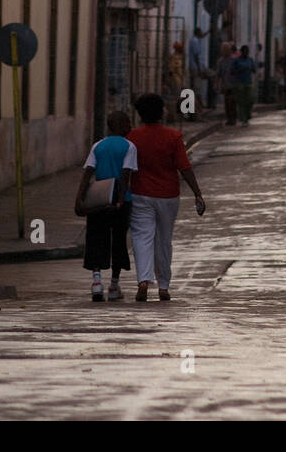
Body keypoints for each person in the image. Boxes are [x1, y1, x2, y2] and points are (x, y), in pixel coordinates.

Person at [127, 93, 206, 302]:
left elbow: (126, 169)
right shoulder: (173, 136)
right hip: (168, 195)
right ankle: (163, 286)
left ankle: (143, 280)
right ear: (161, 111)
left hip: (140, 194)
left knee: (142, 238)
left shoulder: (132, 137)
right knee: (164, 240)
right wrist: (197, 193)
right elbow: (184, 167)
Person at [75, 111, 137, 302]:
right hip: (121, 200)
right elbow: (126, 174)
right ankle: (114, 285)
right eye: (127, 123)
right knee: (118, 240)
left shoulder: (98, 146)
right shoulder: (129, 146)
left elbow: (88, 173)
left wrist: (79, 199)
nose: (130, 126)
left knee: (96, 238)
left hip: (99, 199)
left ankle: (96, 282)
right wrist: (119, 200)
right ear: (119, 125)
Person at [230, 44, 256, 125]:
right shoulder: (236, 61)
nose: (246, 53)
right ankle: (243, 119)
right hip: (239, 83)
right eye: (245, 51)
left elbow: (253, 69)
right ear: (241, 52)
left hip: (248, 82)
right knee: (241, 102)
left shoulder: (250, 60)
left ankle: (248, 115)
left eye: (247, 52)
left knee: (250, 100)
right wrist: (240, 70)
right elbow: (232, 71)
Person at [214, 42, 236, 126]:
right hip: (226, 85)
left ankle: (233, 118)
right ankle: (229, 119)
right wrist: (216, 83)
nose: (224, 52)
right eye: (223, 50)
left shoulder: (234, 60)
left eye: (226, 50)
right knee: (227, 102)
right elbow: (218, 74)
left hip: (234, 85)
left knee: (233, 102)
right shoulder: (220, 61)